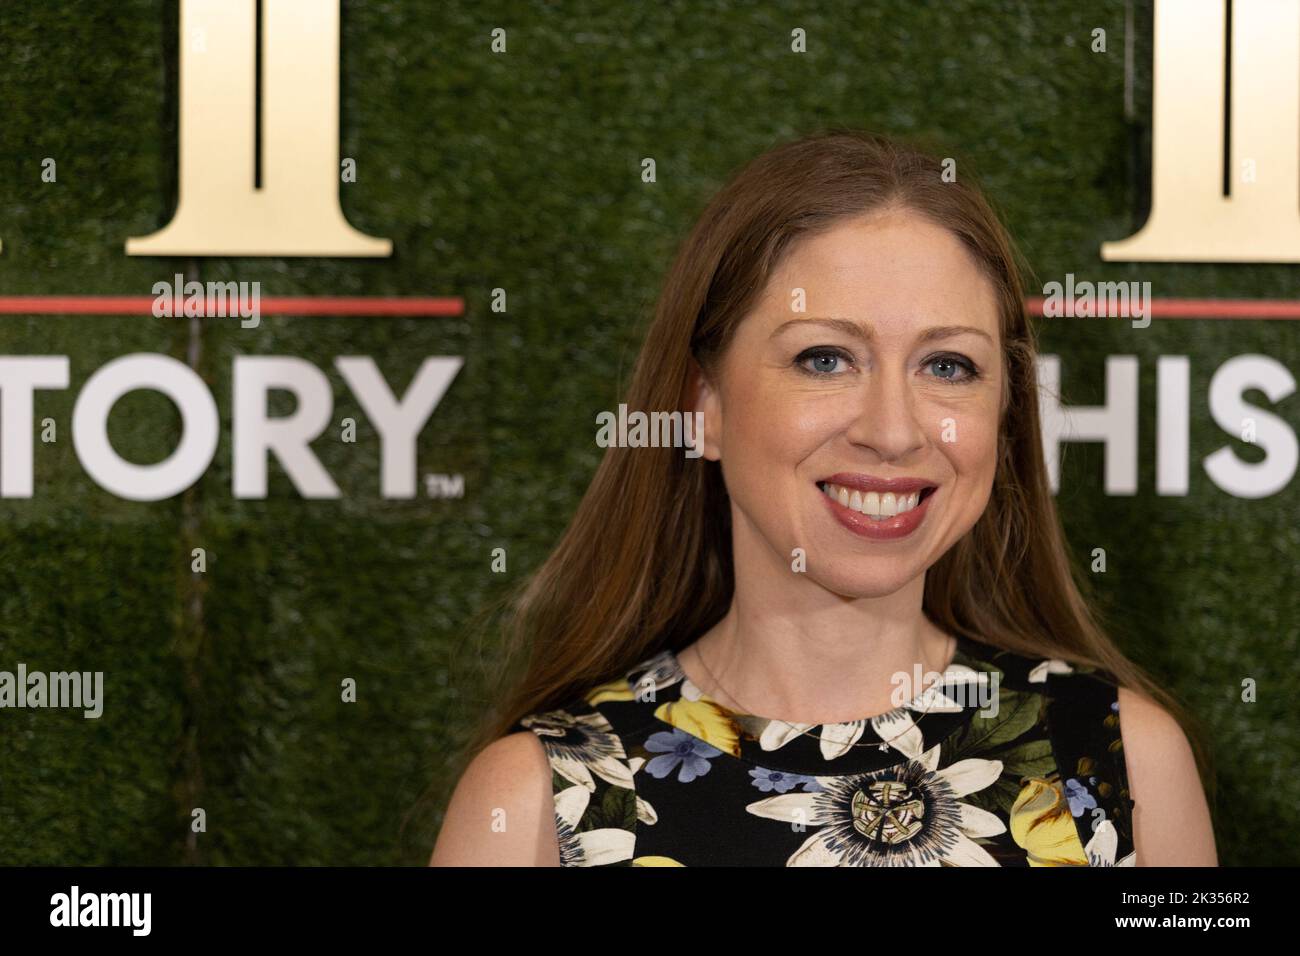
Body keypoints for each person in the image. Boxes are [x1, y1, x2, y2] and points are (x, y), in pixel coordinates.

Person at [429, 128, 1217, 867]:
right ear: (700, 406)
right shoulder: (538, 801)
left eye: (948, 366)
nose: (893, 431)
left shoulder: (1123, 760)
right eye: (825, 358)